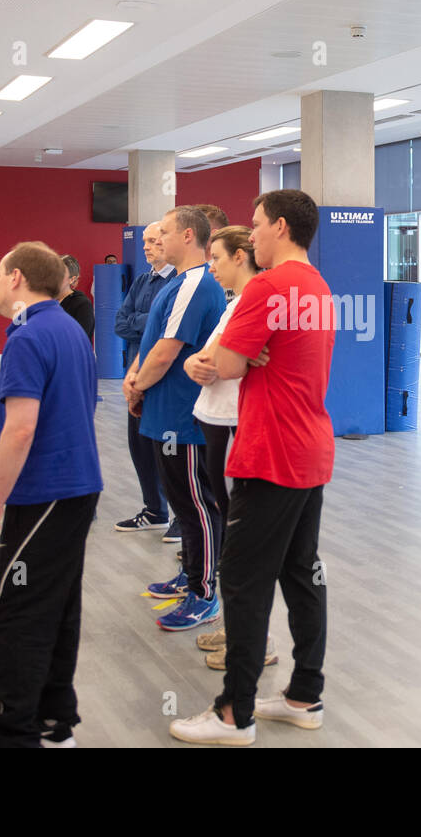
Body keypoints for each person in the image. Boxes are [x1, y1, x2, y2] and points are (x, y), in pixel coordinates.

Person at [169, 189, 335, 747]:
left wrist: (216, 360)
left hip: (270, 452)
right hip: (310, 448)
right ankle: (304, 695)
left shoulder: (267, 285)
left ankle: (234, 713)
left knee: (242, 582)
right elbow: (239, 360)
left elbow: (223, 364)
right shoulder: (318, 287)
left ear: (281, 227)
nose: (252, 233)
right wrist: (231, 358)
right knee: (302, 573)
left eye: (257, 224)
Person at [0, 242, 103, 746]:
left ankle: (15, 732)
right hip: (76, 490)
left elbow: (20, 429)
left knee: (12, 613)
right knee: (57, 606)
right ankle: (55, 722)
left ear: (17, 279)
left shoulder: (27, 338)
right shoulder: (69, 327)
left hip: (44, 494)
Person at [122, 207, 226, 631]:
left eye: (162, 232)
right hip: (165, 414)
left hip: (183, 418)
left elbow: (167, 351)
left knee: (195, 503)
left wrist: (139, 385)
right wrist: (134, 376)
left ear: (187, 235)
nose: (155, 239)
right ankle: (190, 573)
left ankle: (204, 592)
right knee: (183, 503)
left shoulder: (197, 282)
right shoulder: (178, 283)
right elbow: (150, 343)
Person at [182, 225, 277, 671]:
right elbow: (200, 360)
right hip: (215, 418)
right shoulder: (233, 304)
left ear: (241, 256)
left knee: (241, 537)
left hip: (234, 421)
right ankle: (240, 628)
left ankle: (256, 641)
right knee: (228, 528)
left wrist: (214, 360)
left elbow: (218, 362)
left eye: (217, 258)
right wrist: (206, 361)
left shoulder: (253, 300)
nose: (212, 267)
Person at [113, 221, 177, 534]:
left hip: (165, 377)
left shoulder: (181, 282)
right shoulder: (141, 281)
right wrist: (151, 321)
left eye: (153, 241)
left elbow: (168, 331)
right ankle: (154, 510)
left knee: (168, 449)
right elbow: (120, 323)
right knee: (139, 445)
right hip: (136, 378)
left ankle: (182, 517)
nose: (147, 247)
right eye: (145, 242)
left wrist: (150, 323)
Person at [58, 254, 94, 341]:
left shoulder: (82, 304)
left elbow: (80, 340)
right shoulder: (47, 300)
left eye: (60, 274)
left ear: (72, 279)